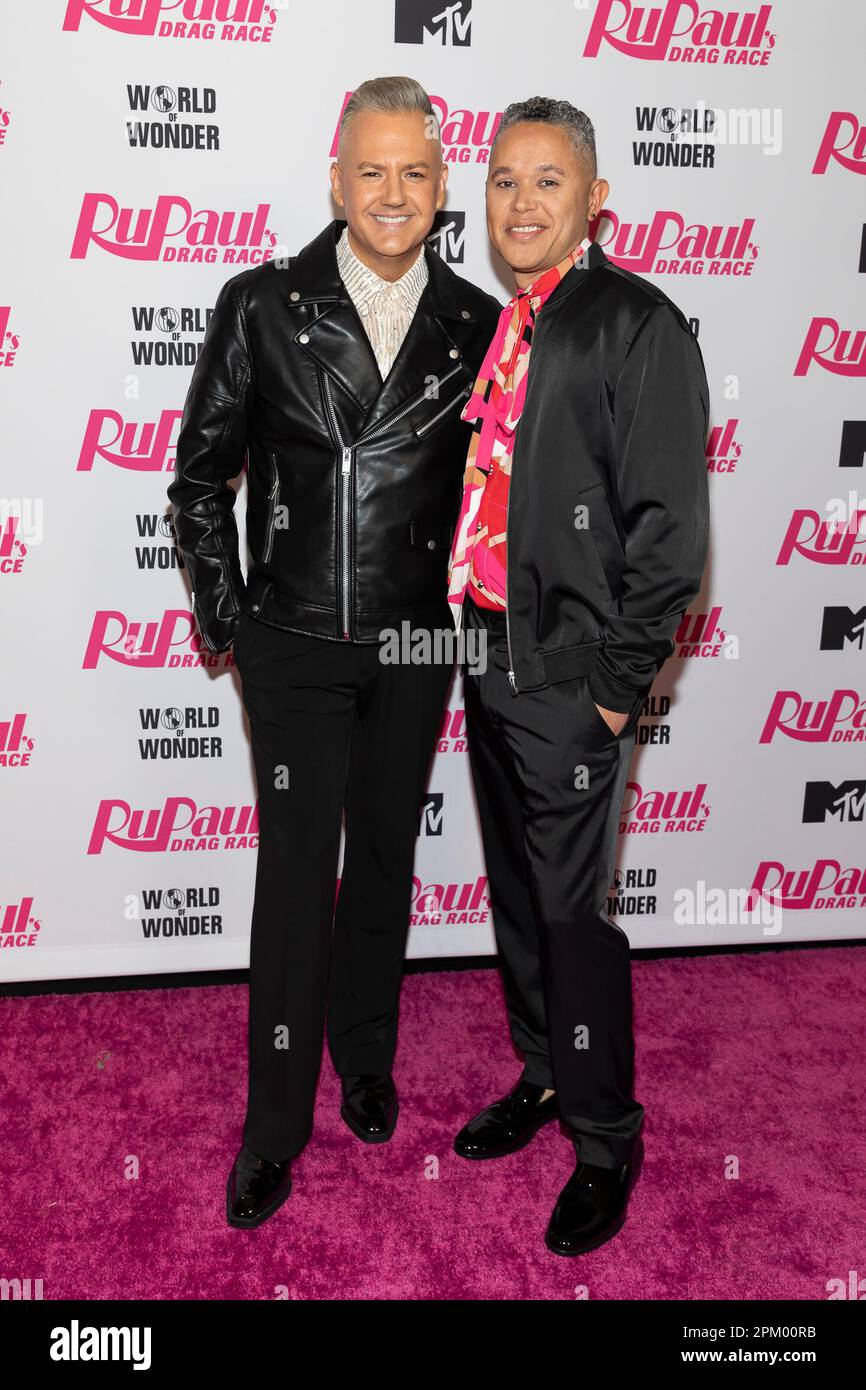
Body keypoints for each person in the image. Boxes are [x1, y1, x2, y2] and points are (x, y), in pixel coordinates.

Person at [168, 76, 500, 1229]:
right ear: (335, 175)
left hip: (414, 641)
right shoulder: (261, 303)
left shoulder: (477, 322)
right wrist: (235, 623)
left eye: (415, 172)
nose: (393, 194)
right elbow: (198, 476)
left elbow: (502, 498)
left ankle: (364, 1057)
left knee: (387, 860)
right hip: (297, 640)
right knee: (294, 877)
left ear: (442, 183)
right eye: (372, 170)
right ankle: (272, 1124)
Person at [447, 97, 710, 1256]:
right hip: (486, 654)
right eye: (504, 179)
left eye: (547, 181)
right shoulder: (513, 321)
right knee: (518, 897)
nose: (520, 201)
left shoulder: (634, 324)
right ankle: (546, 1075)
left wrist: (611, 691)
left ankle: (606, 1136)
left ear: (594, 200)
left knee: (571, 918)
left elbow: (667, 539)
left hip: (570, 684)